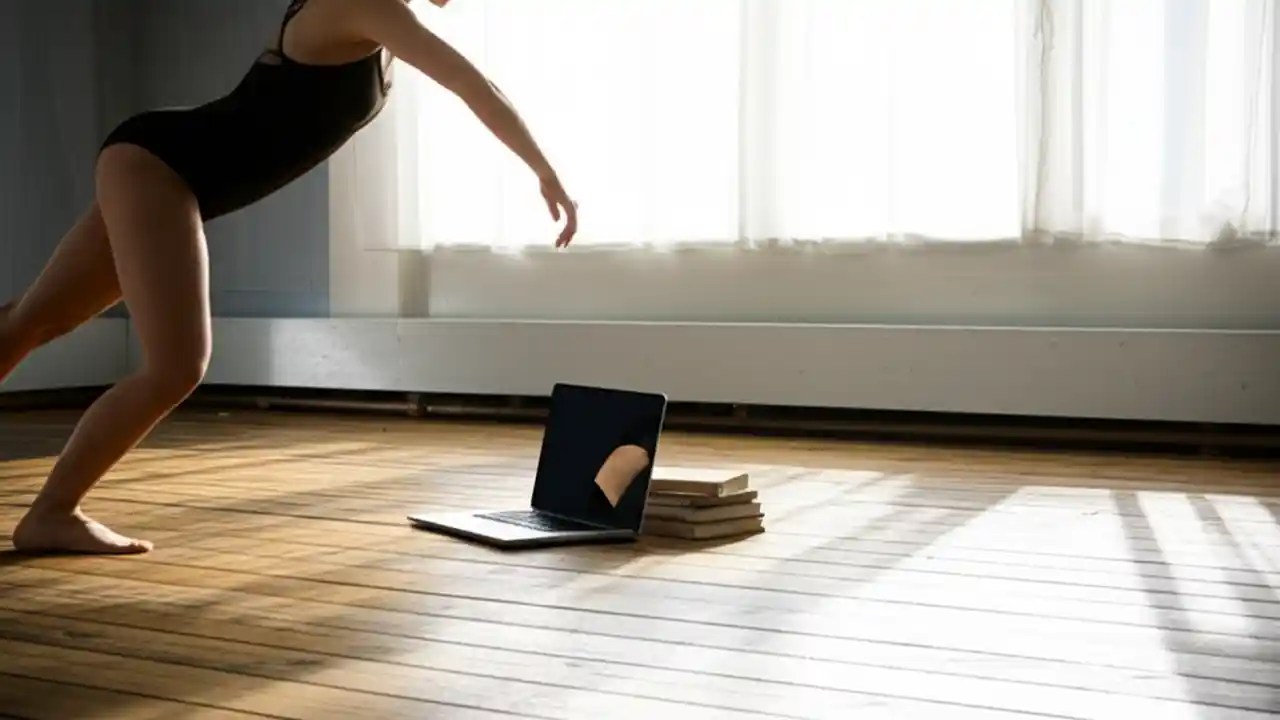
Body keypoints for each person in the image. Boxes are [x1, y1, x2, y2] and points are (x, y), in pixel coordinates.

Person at [0, 0, 578, 555]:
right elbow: (472, 84)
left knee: (33, 320)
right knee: (175, 366)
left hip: (157, 164)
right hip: (163, 168)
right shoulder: (366, 4)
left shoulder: (377, 20)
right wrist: (544, 171)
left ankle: (54, 512)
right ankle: (54, 511)